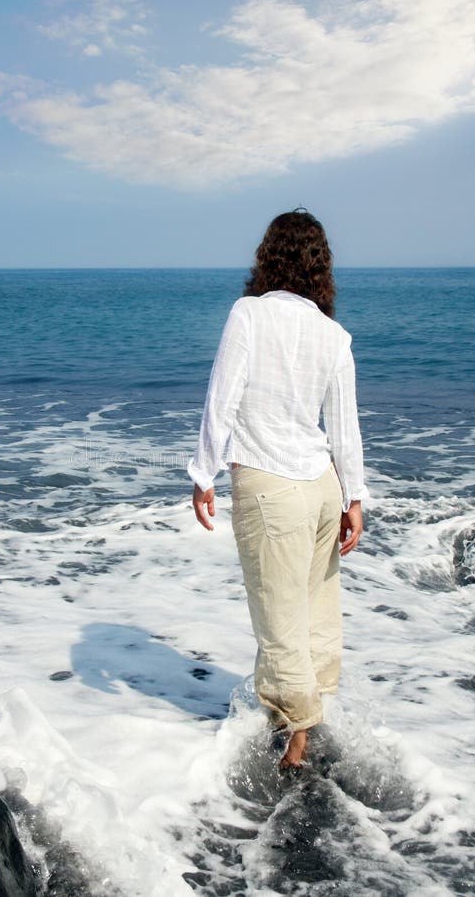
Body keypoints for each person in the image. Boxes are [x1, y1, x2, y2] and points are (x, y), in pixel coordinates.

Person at [188, 209, 368, 771]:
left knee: (278, 618)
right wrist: (355, 500)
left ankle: (296, 746)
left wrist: (203, 473)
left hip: (269, 484)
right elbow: (344, 427)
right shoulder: (333, 334)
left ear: (268, 256)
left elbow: (223, 398)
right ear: (321, 269)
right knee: (315, 614)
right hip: (320, 486)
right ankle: (298, 725)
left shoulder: (248, 314)